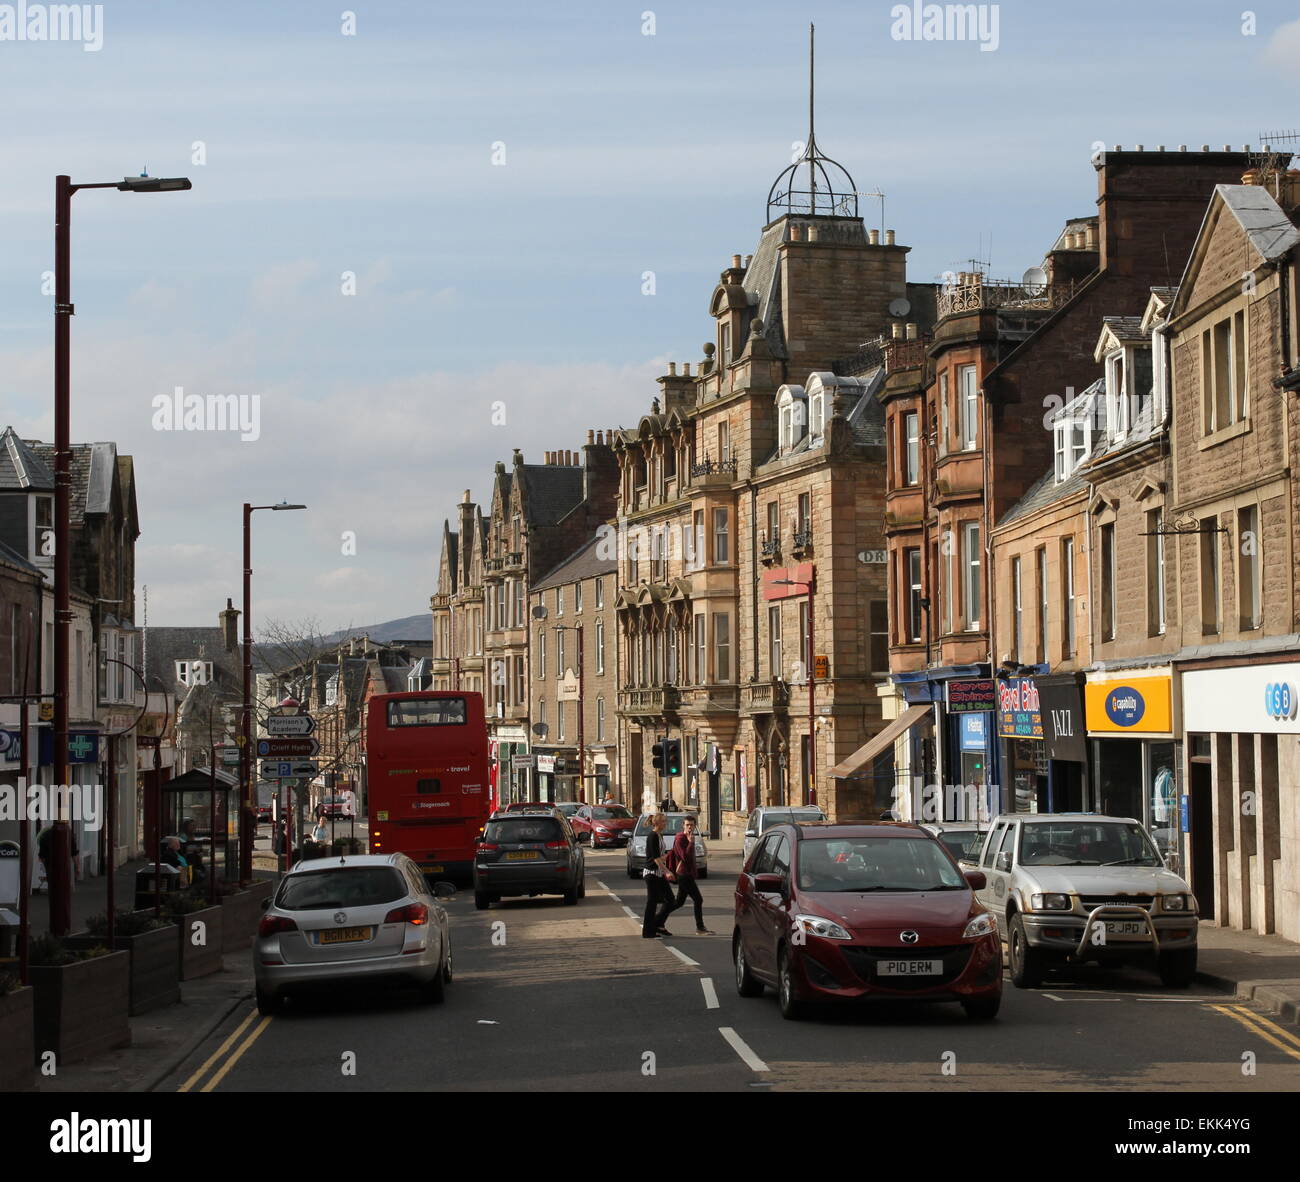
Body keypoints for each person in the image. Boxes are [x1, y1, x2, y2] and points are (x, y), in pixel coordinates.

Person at [662, 815, 712, 935]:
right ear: (683, 826)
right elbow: (685, 857)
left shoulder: (690, 837)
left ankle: (658, 919)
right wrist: (690, 843)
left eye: (692, 825)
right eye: (687, 825)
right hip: (683, 874)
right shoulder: (680, 838)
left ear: (695, 826)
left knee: (679, 902)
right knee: (698, 899)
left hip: (687, 874)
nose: (690, 827)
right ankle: (700, 928)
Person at [640, 812, 677, 938]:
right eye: (663, 822)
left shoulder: (659, 835)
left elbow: (660, 855)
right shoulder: (652, 836)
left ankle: (657, 924)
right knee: (652, 902)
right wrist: (667, 871)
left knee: (670, 899)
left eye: (665, 821)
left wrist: (667, 856)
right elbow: (655, 858)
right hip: (652, 873)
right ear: (656, 823)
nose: (665, 824)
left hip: (658, 873)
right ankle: (648, 931)